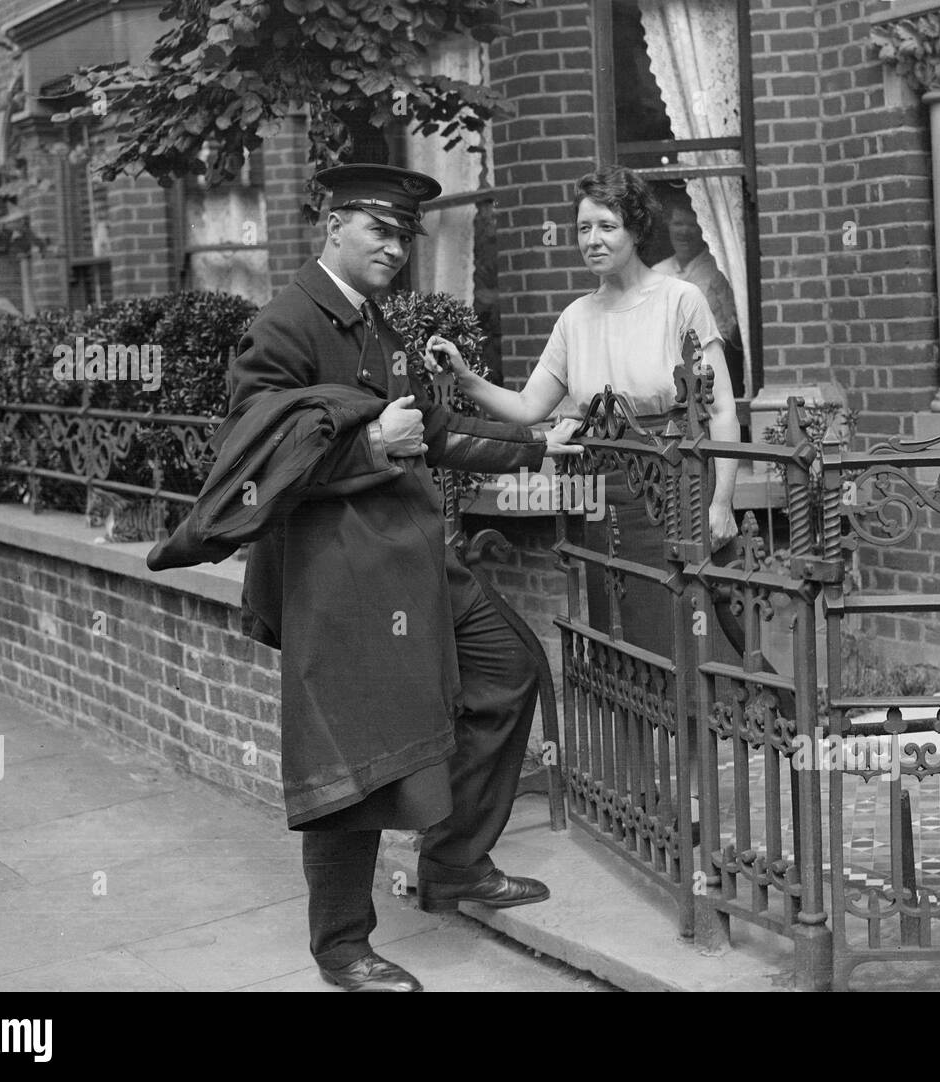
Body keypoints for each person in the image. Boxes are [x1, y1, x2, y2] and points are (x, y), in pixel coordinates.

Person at [158, 164, 583, 993]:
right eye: (378, 231)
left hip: (415, 558)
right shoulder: (284, 325)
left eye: (404, 236)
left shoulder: (376, 324)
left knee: (507, 667)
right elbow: (249, 463)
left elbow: (433, 428)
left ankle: (453, 862)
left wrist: (537, 445)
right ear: (333, 227)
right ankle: (341, 945)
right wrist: (369, 448)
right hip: (338, 572)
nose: (395, 247)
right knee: (348, 755)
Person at [424, 165, 742, 840]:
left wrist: (723, 501)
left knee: (677, 642)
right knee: (616, 639)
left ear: (634, 229)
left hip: (675, 489)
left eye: (606, 226)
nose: (591, 240)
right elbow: (529, 407)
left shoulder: (680, 300)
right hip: (602, 499)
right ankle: (637, 791)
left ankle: (692, 801)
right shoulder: (576, 317)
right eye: (581, 229)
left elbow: (722, 411)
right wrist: (465, 377)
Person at [653, 199, 745, 399]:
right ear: (669, 225)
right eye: (678, 223)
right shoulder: (657, 273)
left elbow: (731, 328)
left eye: (692, 224)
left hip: (712, 369)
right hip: (666, 374)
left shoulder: (719, 270)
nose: (684, 232)